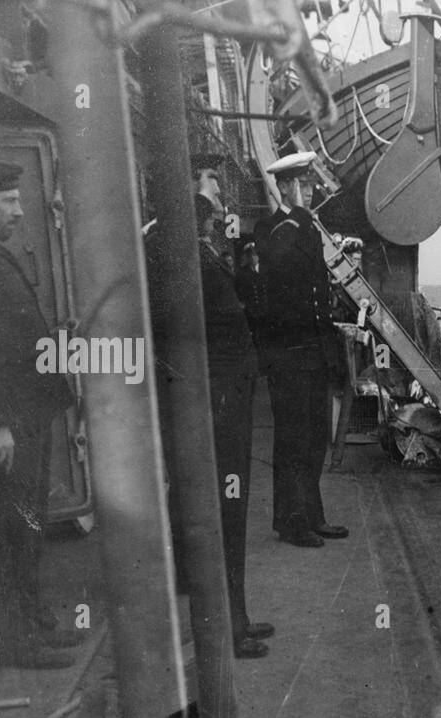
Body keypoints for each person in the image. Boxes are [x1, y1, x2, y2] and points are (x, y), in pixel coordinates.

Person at [0, 160, 79, 668]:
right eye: (9, 200)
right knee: (6, 528)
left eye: (20, 199)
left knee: (27, 523)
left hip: (27, 413)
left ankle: (32, 621)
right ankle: (13, 639)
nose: (20, 211)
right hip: (8, 423)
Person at [190, 158, 273, 659]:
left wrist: (241, 252)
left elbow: (242, 301)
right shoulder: (169, 241)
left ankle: (235, 616)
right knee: (222, 512)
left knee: (232, 510)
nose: (221, 193)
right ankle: (224, 627)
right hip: (214, 401)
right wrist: (199, 201)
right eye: (211, 183)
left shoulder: (204, 245)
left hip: (230, 396)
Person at [253, 151, 348, 547]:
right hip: (289, 355)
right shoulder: (276, 229)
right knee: (292, 441)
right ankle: (290, 522)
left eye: (310, 184)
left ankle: (312, 515)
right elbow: (278, 266)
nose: (310, 191)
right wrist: (297, 218)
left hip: (314, 353)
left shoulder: (303, 227)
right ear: (286, 186)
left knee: (312, 440)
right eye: (303, 185)